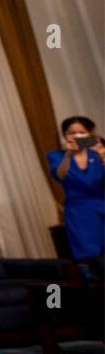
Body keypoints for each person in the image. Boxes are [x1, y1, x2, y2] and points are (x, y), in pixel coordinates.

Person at [47, 116, 105, 278]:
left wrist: (102, 154)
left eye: (82, 132)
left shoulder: (99, 152)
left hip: (102, 204)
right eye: (71, 133)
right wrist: (68, 155)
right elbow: (60, 175)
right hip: (78, 211)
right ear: (65, 135)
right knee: (89, 255)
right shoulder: (56, 155)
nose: (77, 136)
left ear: (90, 134)